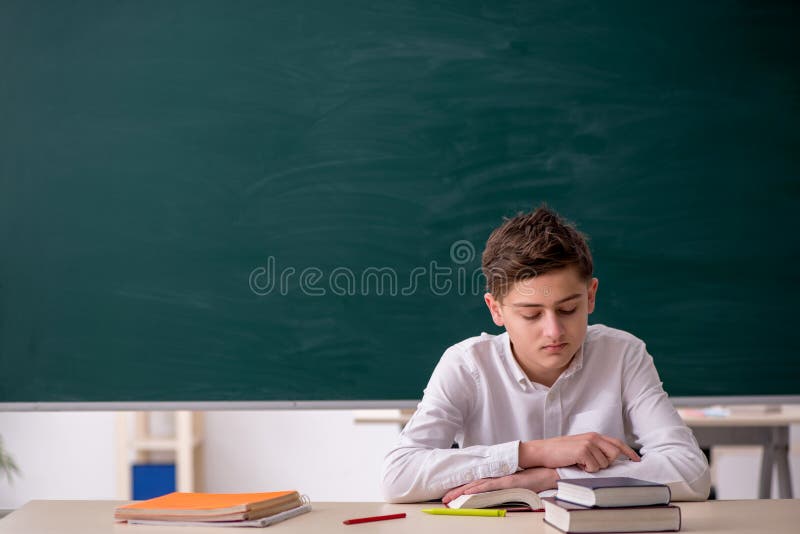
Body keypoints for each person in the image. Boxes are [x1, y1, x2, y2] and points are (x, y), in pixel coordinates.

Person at [381, 206, 710, 503]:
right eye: (531, 315)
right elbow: (397, 477)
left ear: (591, 296)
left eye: (568, 309)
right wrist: (533, 452)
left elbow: (691, 472)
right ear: (496, 310)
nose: (554, 331)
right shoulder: (467, 364)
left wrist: (550, 477)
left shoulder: (623, 354)